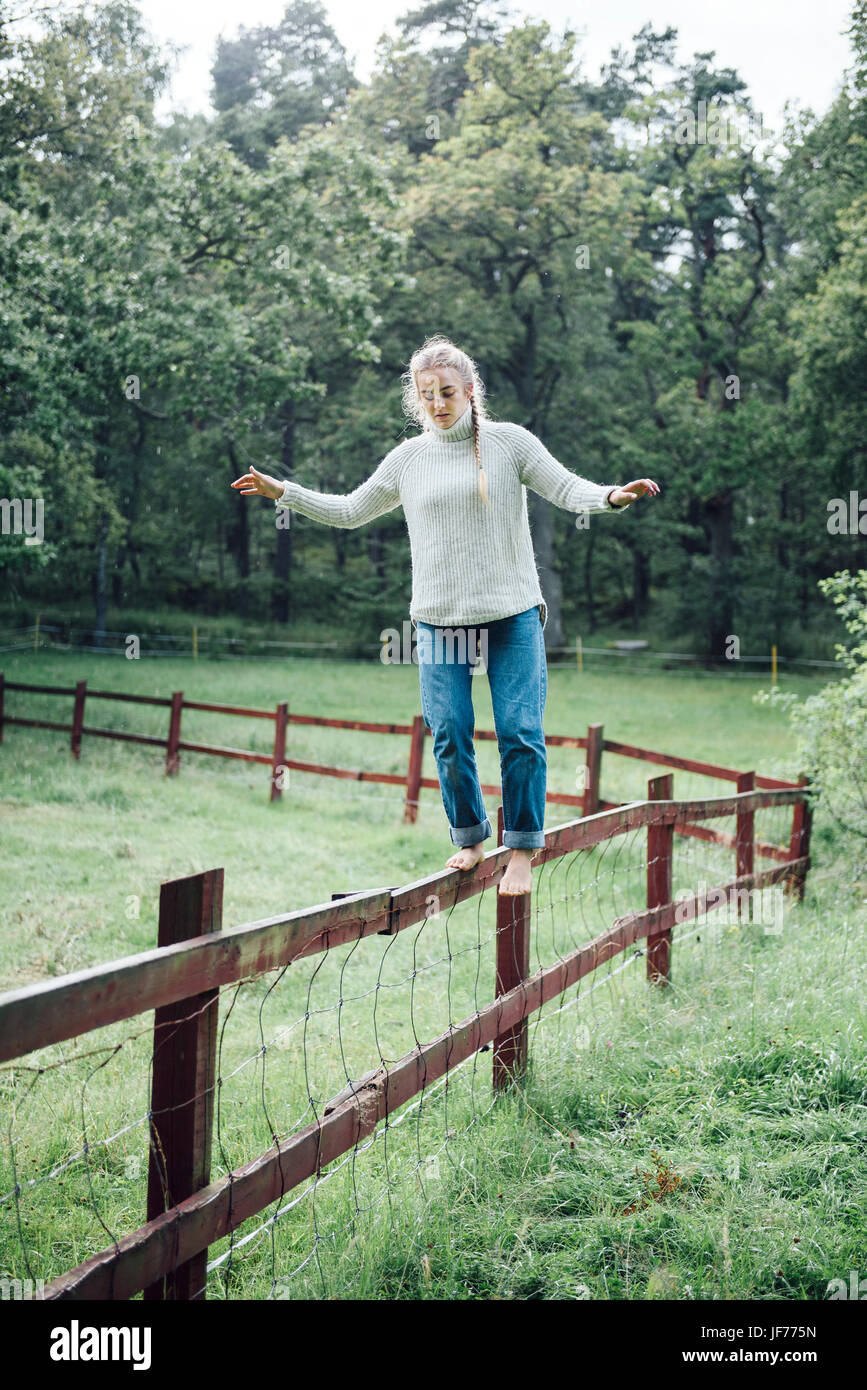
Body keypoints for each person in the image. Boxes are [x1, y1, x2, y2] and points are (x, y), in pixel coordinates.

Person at [231, 335, 660, 894]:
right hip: (440, 618)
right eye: (427, 394)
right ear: (417, 398)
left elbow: (564, 486)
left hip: (510, 613)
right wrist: (283, 492)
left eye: (448, 392)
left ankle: (523, 849)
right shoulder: (408, 460)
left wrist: (610, 497)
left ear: (470, 390)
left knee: (519, 730)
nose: (438, 404)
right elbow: (350, 510)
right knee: (450, 728)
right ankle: (469, 838)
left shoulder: (510, 444)